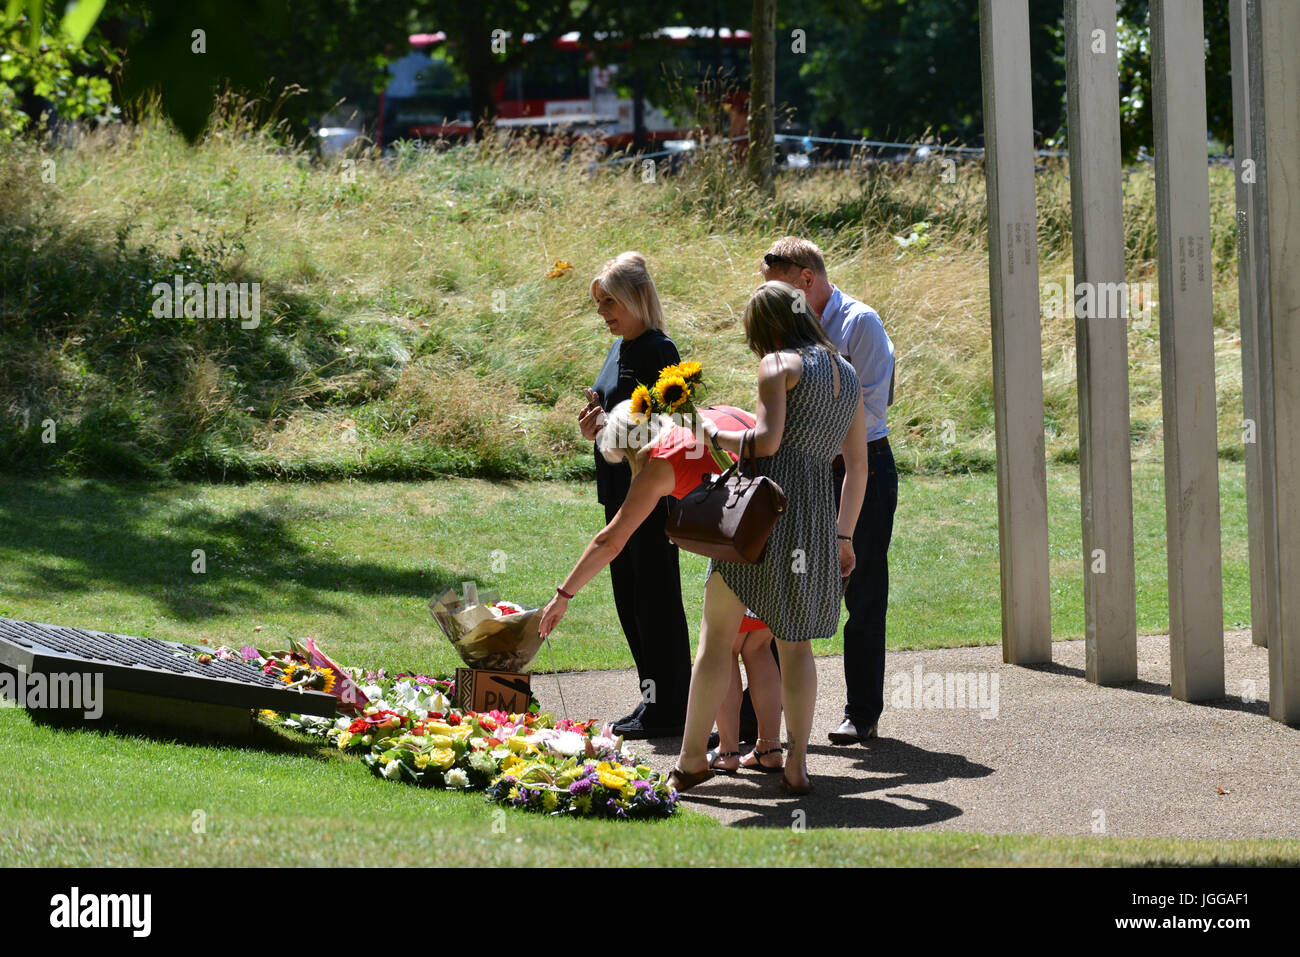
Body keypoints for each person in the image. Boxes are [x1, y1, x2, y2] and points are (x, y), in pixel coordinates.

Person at [668, 281, 869, 796]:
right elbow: (857, 468)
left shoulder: (778, 365)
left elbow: (766, 441)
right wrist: (844, 535)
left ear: (768, 329)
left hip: (762, 512)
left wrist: (712, 433)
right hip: (815, 517)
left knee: (716, 640)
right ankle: (796, 763)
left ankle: (693, 761)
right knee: (795, 646)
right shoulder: (847, 376)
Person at [539, 401, 783, 763]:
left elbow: (611, 540)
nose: (630, 468)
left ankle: (728, 750)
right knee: (758, 646)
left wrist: (563, 595)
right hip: (779, 528)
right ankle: (770, 747)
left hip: (743, 545)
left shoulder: (659, 461)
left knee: (724, 647)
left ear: (632, 446)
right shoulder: (703, 416)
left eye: (625, 458)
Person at [759, 237, 897, 746]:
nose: (768, 298)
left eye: (777, 288)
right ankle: (764, 724)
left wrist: (803, 434)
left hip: (859, 468)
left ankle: (861, 712)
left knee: (861, 591)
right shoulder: (786, 327)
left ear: (806, 280)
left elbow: (872, 409)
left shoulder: (860, 323)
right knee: (780, 588)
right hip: (806, 469)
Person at [573, 252, 692, 738]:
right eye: (599, 303)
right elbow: (613, 418)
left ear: (637, 298)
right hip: (616, 492)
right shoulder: (619, 346)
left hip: (651, 495)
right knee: (630, 600)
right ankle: (652, 702)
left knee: (656, 602)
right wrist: (593, 428)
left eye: (609, 302)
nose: (603, 312)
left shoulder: (659, 349)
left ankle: (673, 707)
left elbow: (677, 428)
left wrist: (611, 426)